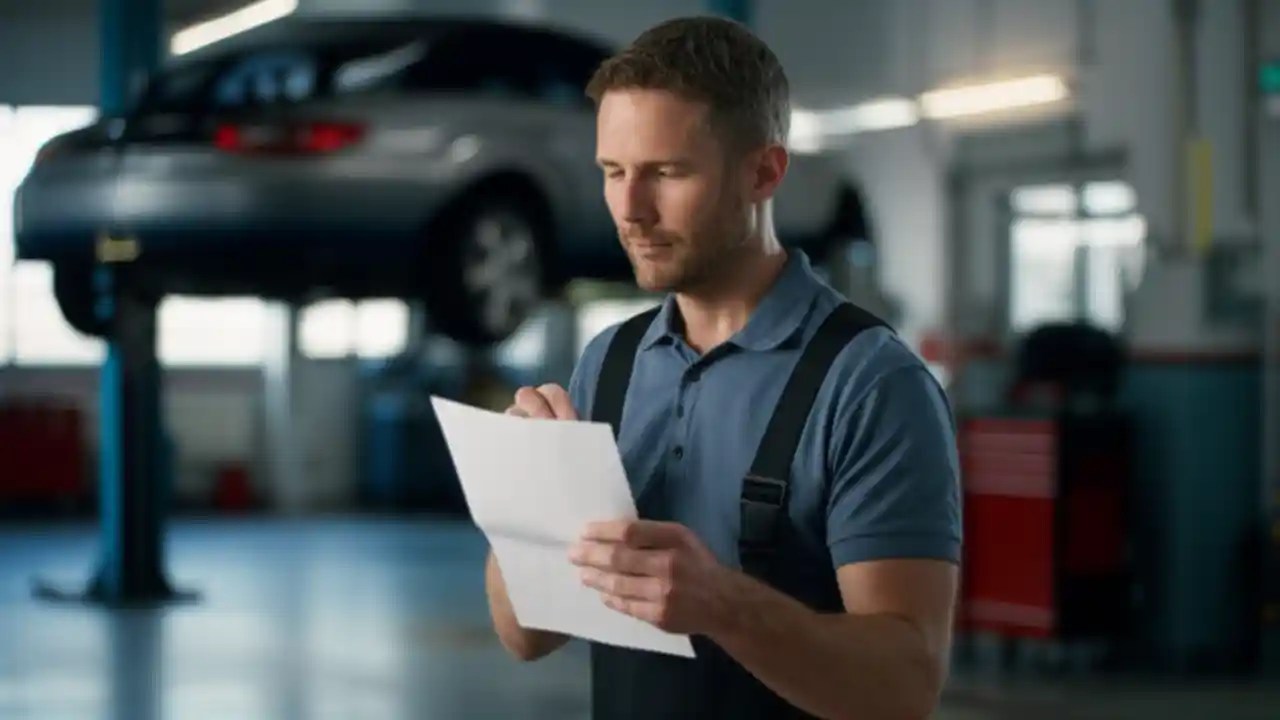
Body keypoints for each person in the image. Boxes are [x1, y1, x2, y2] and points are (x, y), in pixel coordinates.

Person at [485, 15, 961, 720]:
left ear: (764, 171)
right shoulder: (609, 364)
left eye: (665, 173)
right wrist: (528, 504)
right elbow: (526, 635)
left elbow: (905, 686)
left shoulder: (871, 385)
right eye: (613, 172)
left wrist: (724, 605)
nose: (629, 209)